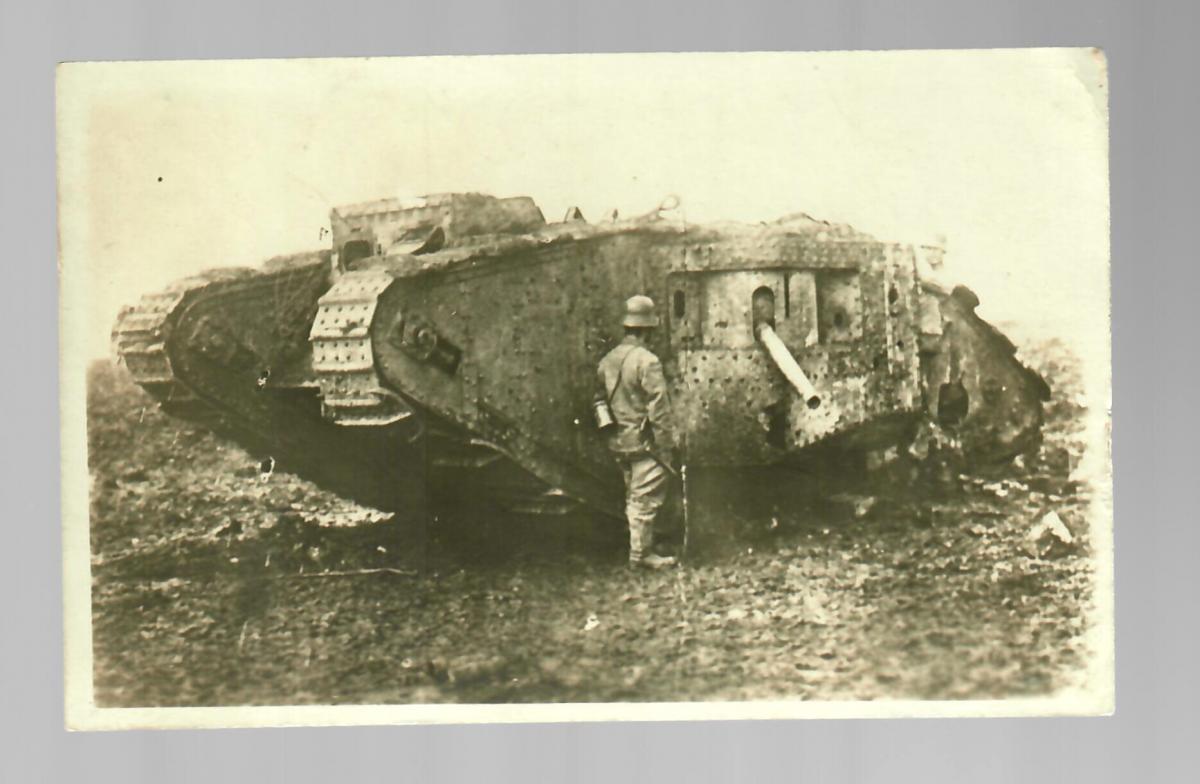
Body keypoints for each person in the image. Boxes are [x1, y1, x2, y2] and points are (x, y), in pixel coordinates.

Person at [596, 295, 679, 569]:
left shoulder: (608, 360)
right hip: (645, 444)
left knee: (634, 495)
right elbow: (659, 408)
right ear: (647, 329)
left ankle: (643, 547)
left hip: (619, 442)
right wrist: (667, 444)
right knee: (644, 501)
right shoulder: (648, 361)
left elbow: (598, 400)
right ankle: (640, 556)